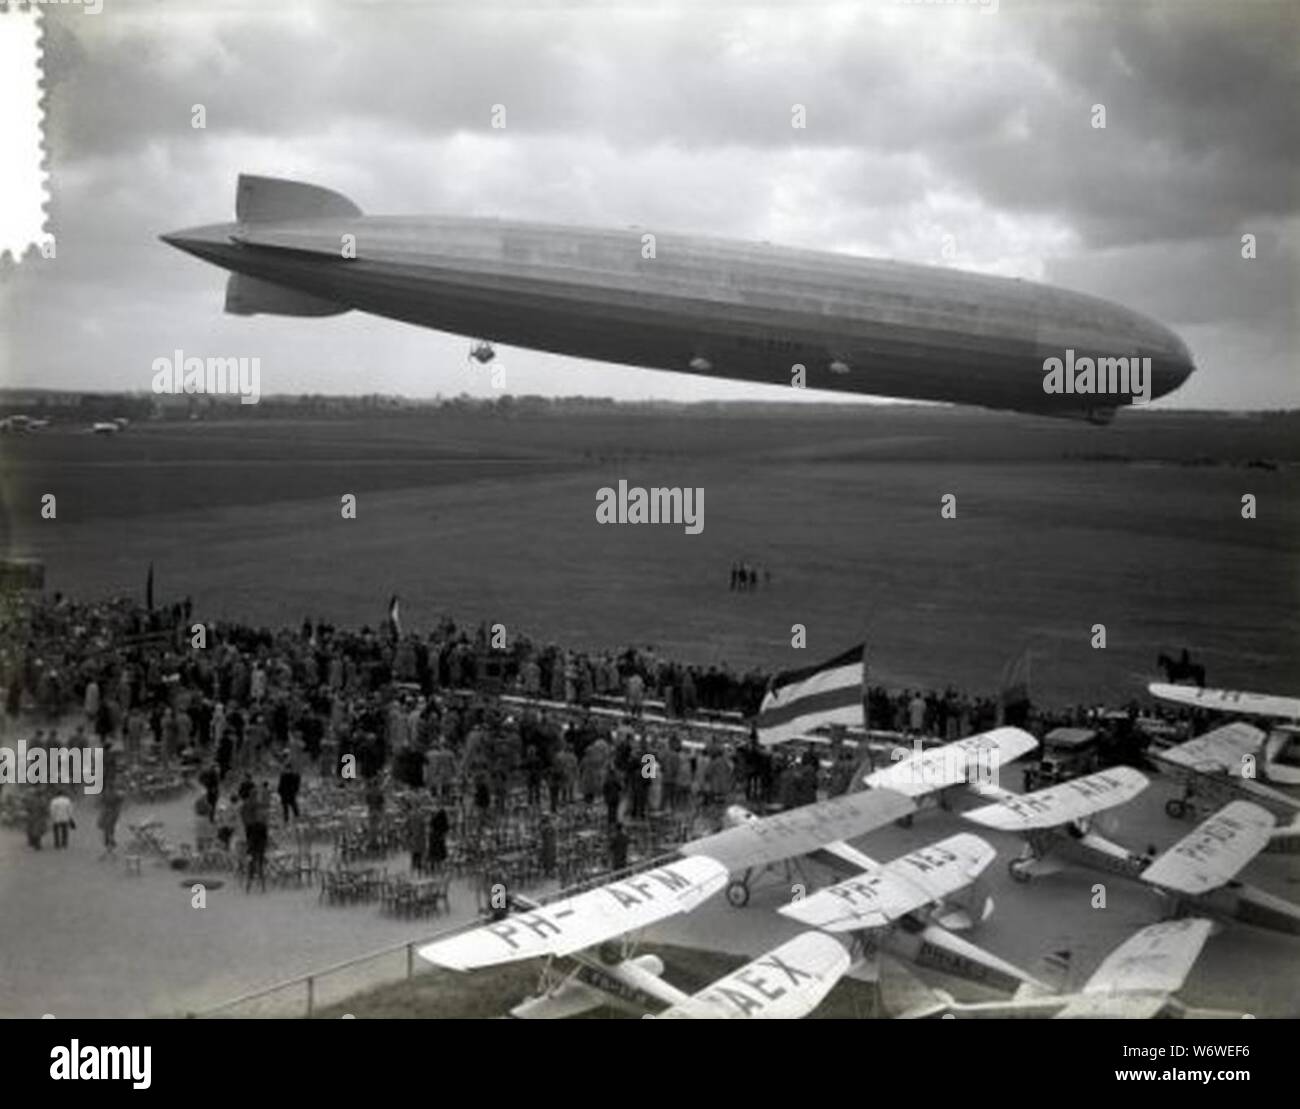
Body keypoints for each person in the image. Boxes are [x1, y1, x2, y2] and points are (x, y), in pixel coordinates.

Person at [97, 785, 123, 859]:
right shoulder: (116, 795)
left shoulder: (105, 795)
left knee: (106, 833)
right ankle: (110, 849)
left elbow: (101, 803)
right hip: (112, 816)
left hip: (107, 816)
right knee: (110, 832)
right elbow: (119, 803)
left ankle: (109, 849)